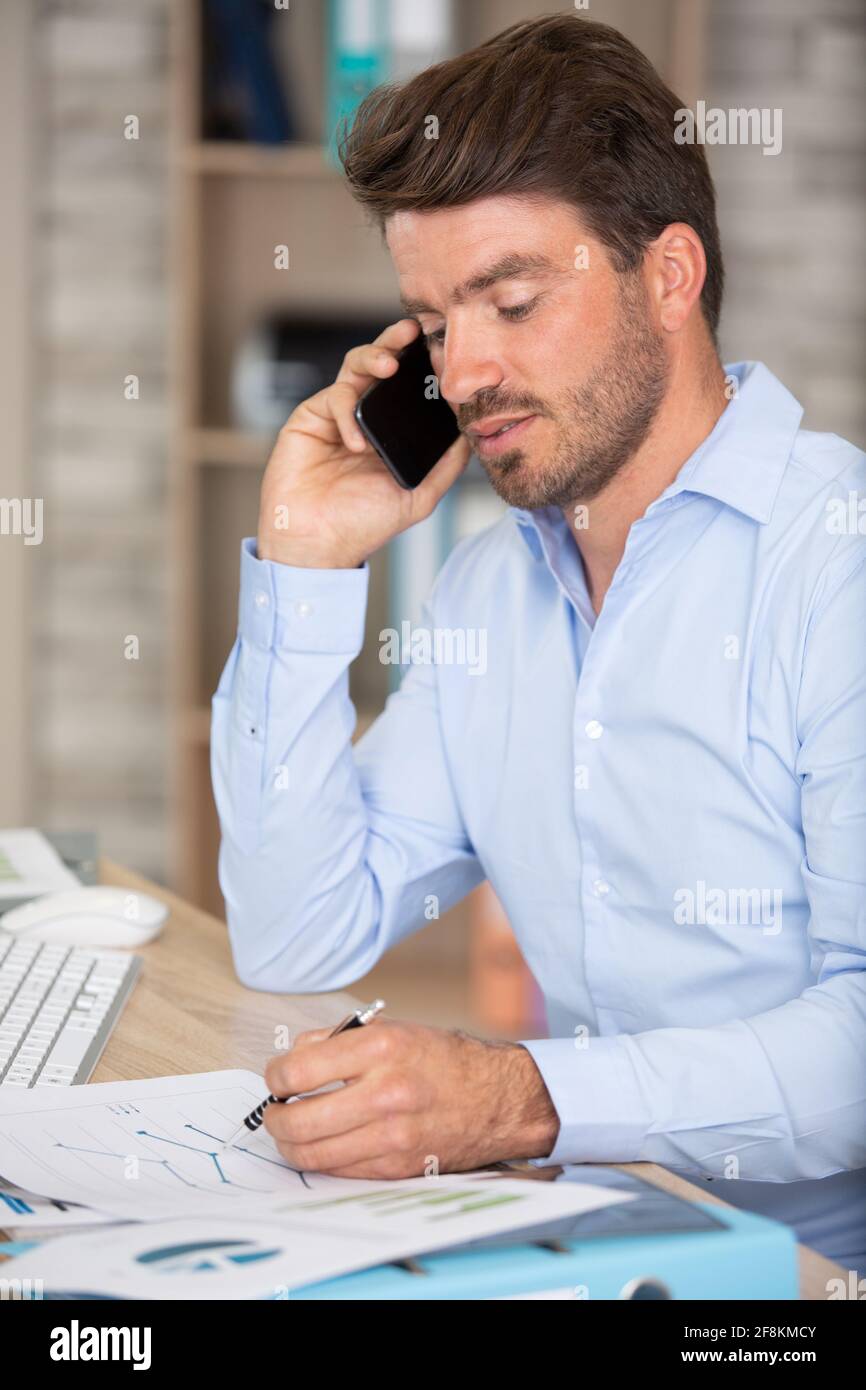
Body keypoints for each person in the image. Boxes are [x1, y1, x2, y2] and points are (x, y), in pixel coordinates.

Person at [211, 14, 866, 1272]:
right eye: (436, 323)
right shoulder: (484, 595)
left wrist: (519, 1096)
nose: (464, 372)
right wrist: (304, 567)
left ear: (668, 276)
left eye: (511, 299)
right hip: (584, 1245)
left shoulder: (834, 564)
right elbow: (299, 933)